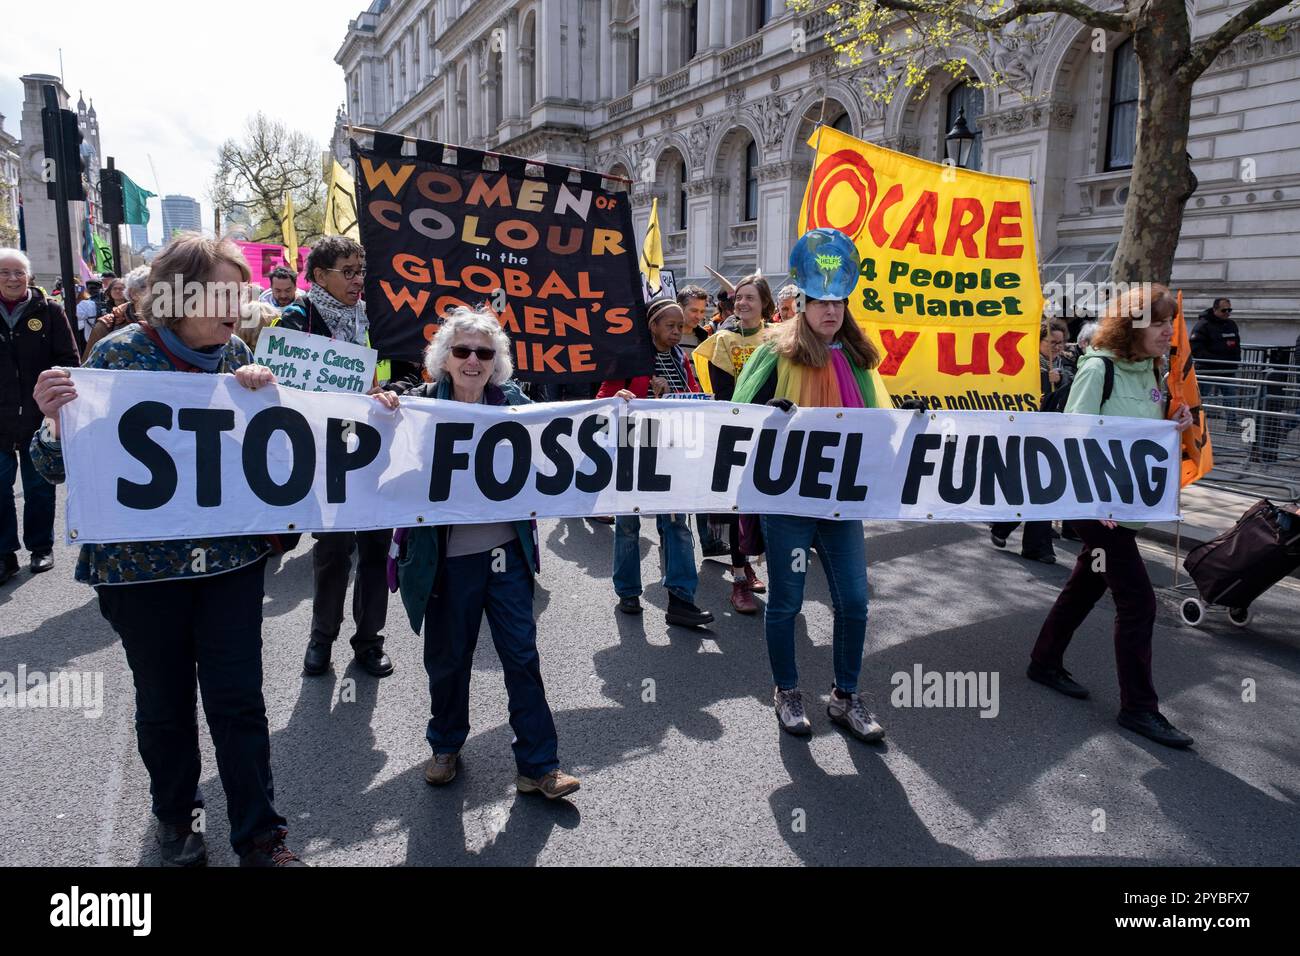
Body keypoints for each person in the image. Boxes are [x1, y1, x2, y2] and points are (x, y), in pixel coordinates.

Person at [29, 234, 306, 865]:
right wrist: (53, 423)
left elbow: (266, 451)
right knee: (165, 703)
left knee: (239, 701)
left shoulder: (237, 353)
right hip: (141, 574)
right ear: (179, 295)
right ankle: (177, 820)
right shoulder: (117, 356)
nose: (239, 306)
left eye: (242, 293)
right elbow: (54, 469)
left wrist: (263, 397)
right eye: (224, 293)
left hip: (230, 563)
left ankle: (262, 836)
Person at [392, 305, 581, 799]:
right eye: (463, 351)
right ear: (445, 358)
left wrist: (617, 409)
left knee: (521, 656)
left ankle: (539, 765)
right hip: (447, 562)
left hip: (505, 556)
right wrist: (381, 406)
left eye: (484, 352)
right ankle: (445, 745)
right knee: (448, 660)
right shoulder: (417, 404)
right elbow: (368, 438)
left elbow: (566, 427)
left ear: (496, 361)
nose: (473, 360)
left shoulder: (514, 402)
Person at [733, 228, 889, 742]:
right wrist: (767, 412)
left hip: (841, 502)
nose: (831, 310)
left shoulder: (858, 358)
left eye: (839, 301)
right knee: (787, 601)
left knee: (855, 601)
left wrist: (906, 422)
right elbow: (736, 416)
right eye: (822, 301)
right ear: (803, 303)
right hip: (788, 502)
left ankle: (846, 696)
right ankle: (787, 690)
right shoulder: (775, 352)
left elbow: (878, 422)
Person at [1029, 283, 1196, 749]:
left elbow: (1135, 435)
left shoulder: (1152, 370)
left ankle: (1044, 661)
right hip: (1097, 507)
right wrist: (1094, 500)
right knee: (1139, 602)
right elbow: (1073, 438)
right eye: (1158, 323)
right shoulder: (1098, 367)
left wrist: (1173, 424)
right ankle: (1139, 708)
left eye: (1170, 323)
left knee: (1087, 582)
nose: (1168, 332)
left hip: (1126, 505)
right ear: (1132, 325)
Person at [279, 235, 414, 679]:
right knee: (333, 550)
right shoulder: (297, 319)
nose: (359, 281)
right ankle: (322, 638)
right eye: (349, 272)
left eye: (362, 272)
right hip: (324, 456)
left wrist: (391, 391)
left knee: (375, 546)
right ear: (320, 276)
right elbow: (281, 386)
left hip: (374, 449)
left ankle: (370, 640)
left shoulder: (378, 318)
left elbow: (405, 371)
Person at [597, 298, 715, 628]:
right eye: (670, 326)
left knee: (677, 524)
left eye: (680, 326)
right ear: (652, 326)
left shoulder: (681, 358)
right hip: (634, 446)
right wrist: (624, 398)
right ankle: (628, 592)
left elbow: (692, 393)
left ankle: (681, 599)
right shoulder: (628, 357)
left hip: (673, 450)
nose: (677, 332)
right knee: (628, 524)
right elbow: (602, 401)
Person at [0, 249, 79, 584]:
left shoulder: (49, 311)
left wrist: (54, 397)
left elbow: (69, 360)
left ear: (29, 276)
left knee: (39, 487)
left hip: (39, 415)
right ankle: (4, 554)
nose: (13, 279)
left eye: (19, 272)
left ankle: (41, 547)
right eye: (5, 272)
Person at [693, 273, 771, 612]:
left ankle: (753, 564)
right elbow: (724, 394)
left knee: (766, 507)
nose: (741, 302)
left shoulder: (780, 339)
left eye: (749, 297)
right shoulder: (722, 341)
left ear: (765, 303)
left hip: (773, 434)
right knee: (737, 507)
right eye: (739, 297)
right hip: (738, 432)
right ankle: (739, 578)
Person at [989, 318, 1068, 565]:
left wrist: (1060, 379)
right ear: (1038, 341)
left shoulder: (1062, 365)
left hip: (1051, 434)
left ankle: (1006, 527)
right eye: (1052, 342)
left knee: (1040, 485)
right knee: (1039, 485)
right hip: (1026, 433)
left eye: (1061, 343)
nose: (1057, 347)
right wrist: (1046, 379)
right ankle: (1035, 544)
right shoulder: (1026, 364)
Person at [675, 284, 726, 556]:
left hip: (700, 415)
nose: (698, 316)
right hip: (671, 417)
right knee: (675, 483)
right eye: (693, 310)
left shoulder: (706, 337)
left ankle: (709, 540)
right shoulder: (662, 336)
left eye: (702, 311)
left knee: (702, 479)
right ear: (679, 307)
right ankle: (673, 539)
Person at [1191, 297, 1242, 423]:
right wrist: (1213, 360)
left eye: (1229, 310)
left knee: (1230, 397)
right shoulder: (1203, 325)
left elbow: (1236, 345)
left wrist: (1235, 361)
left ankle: (1232, 423)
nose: (1227, 313)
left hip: (1227, 370)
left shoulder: (1231, 325)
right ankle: (1194, 423)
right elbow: (1195, 347)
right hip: (1207, 370)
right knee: (1200, 398)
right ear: (1215, 310)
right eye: (1224, 310)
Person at [83, 266, 149, 361]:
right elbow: (89, 366)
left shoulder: (165, 322)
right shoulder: (106, 325)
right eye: (149, 287)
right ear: (133, 293)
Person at [75, 277, 106, 344]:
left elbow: (77, 319)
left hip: (93, 340)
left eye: (94, 288)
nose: (92, 291)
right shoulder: (109, 300)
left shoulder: (86, 304)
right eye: (91, 288)